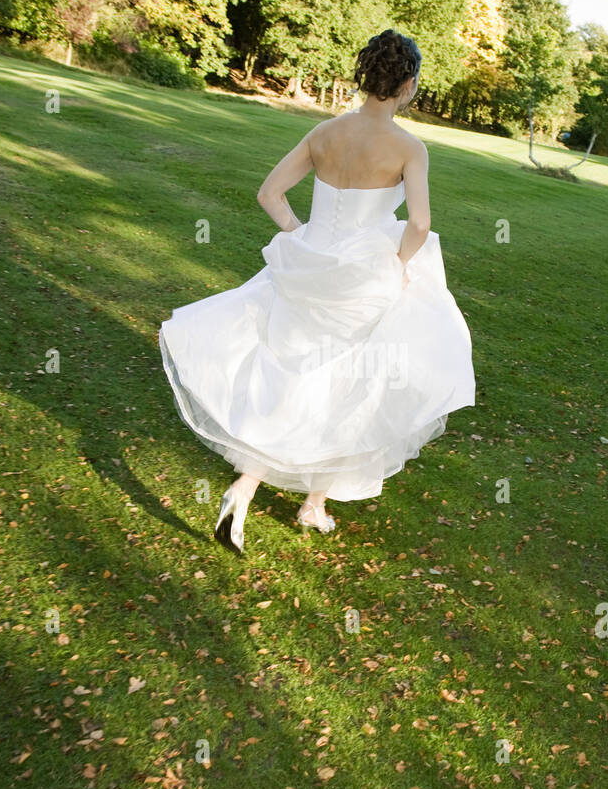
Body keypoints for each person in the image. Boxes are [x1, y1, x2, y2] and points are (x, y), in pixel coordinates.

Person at [158, 29, 476, 553]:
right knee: (346, 384)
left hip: (309, 267)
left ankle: (268, 490)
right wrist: (397, 264)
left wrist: (299, 236)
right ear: (408, 83)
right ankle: (303, 502)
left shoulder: (324, 132)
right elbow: (418, 223)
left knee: (299, 374)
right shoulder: (409, 148)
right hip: (366, 276)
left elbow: (270, 193)